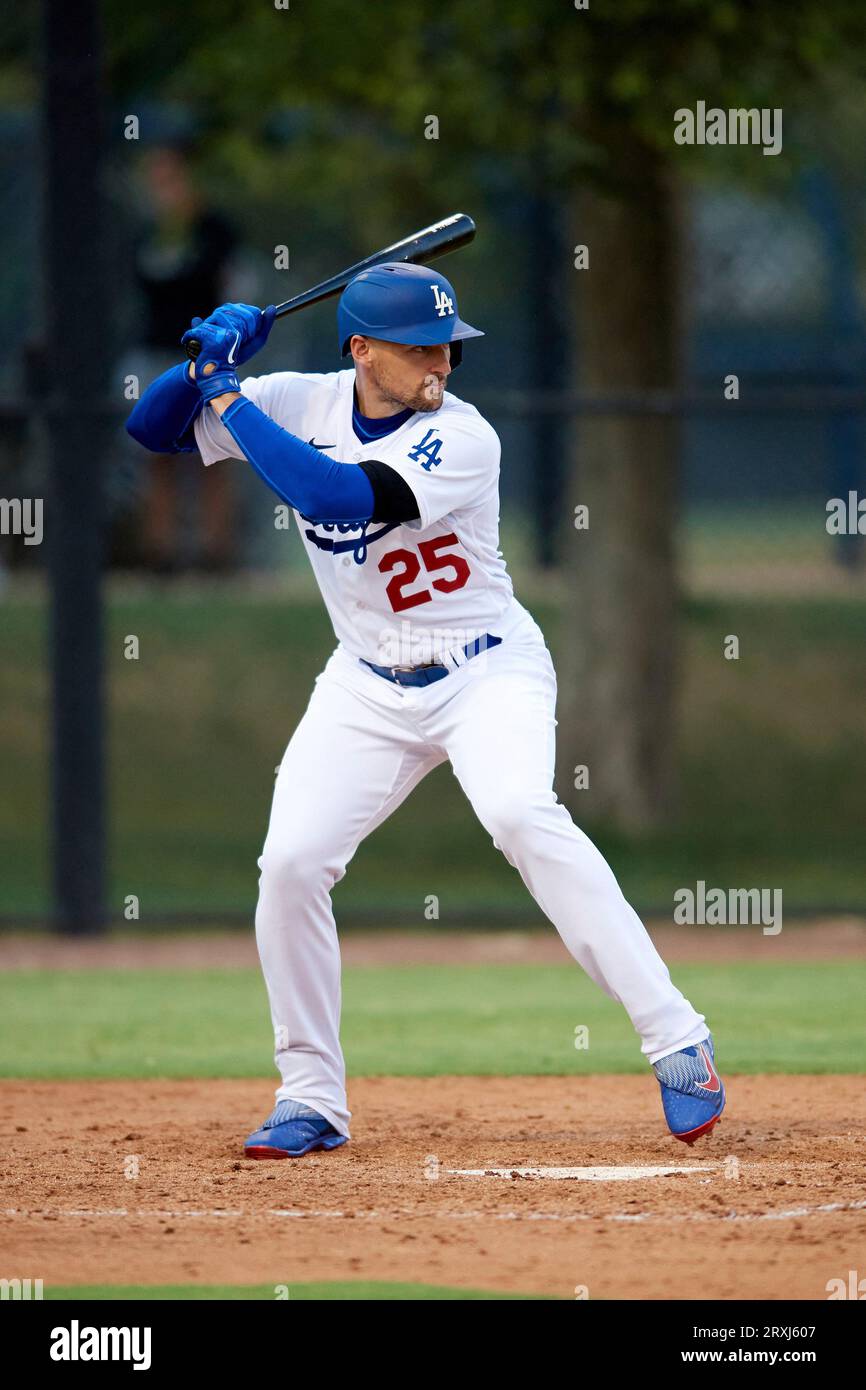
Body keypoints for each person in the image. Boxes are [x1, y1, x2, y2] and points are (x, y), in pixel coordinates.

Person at [126, 263, 726, 1158]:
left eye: (446, 344)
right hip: (367, 681)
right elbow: (151, 430)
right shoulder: (296, 399)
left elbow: (336, 497)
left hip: (485, 671)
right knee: (290, 863)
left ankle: (679, 1040)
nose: (437, 361)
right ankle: (311, 1097)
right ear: (360, 349)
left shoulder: (463, 435)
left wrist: (230, 394)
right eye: (414, 347)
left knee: (520, 812)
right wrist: (208, 358)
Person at [131, 143, 238, 573]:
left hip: (207, 353)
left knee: (216, 452)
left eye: (171, 178)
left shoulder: (213, 230)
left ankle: (216, 555)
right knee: (156, 454)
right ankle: (159, 554)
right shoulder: (146, 233)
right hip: (156, 352)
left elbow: (223, 281)